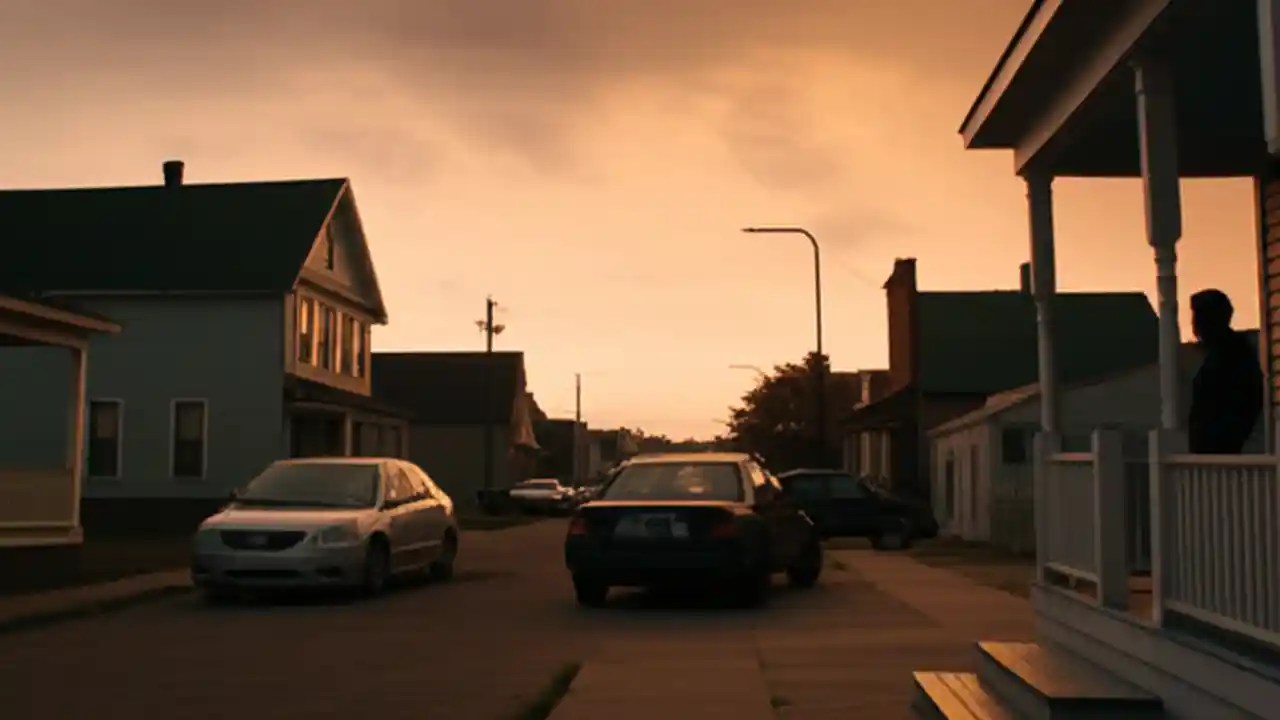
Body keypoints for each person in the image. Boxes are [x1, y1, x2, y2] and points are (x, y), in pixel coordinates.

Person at [1187, 289, 1263, 454]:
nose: (1194, 324)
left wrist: (1225, 439)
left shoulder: (1232, 353)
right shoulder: (1219, 353)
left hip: (1222, 453)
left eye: (1199, 317)